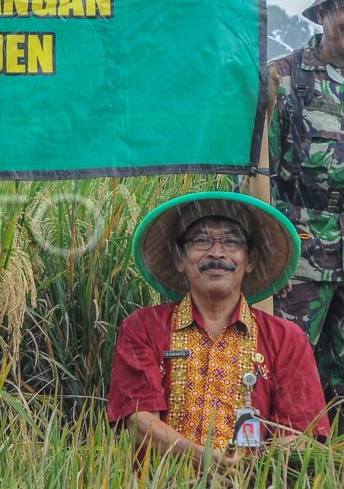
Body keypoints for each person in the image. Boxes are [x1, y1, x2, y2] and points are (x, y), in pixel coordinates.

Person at [109, 192, 329, 473]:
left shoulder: (287, 338)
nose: (216, 252)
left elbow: (300, 435)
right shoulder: (143, 327)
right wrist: (203, 458)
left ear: (250, 260)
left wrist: (247, 468)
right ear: (179, 258)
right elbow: (139, 423)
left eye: (232, 241)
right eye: (201, 240)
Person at [266, 0, 344, 419]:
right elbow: (258, 175)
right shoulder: (284, 77)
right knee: (290, 368)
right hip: (301, 254)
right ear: (326, 12)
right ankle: (284, 469)